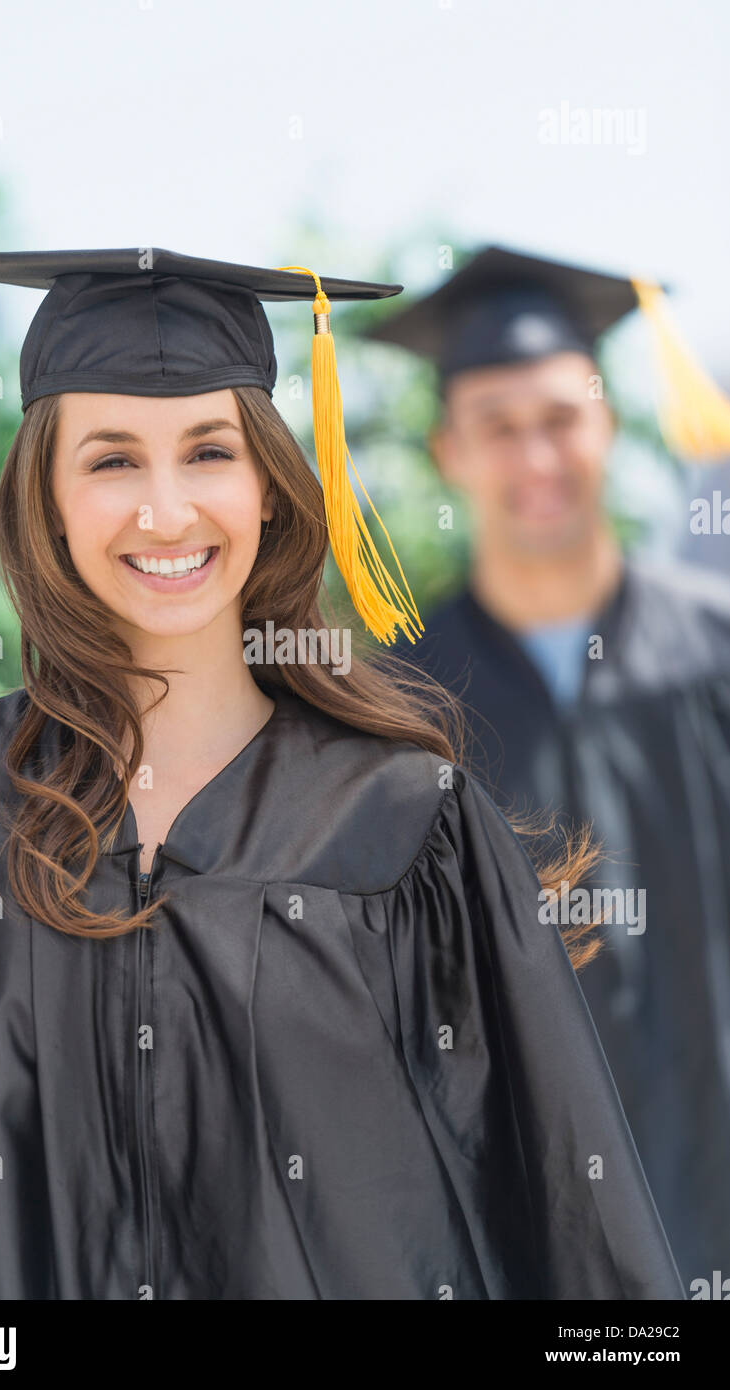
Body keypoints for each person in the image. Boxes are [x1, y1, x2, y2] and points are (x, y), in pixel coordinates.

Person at [0, 245, 683, 1301]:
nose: (167, 511)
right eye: (112, 460)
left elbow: (578, 1238)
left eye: (208, 451)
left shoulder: (402, 830)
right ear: (48, 499)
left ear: (267, 487)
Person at [370, 243, 730, 1295]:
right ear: (448, 451)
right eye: (499, 427)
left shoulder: (715, 657)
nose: (538, 458)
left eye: (561, 418)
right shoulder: (397, 714)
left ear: (609, 424)